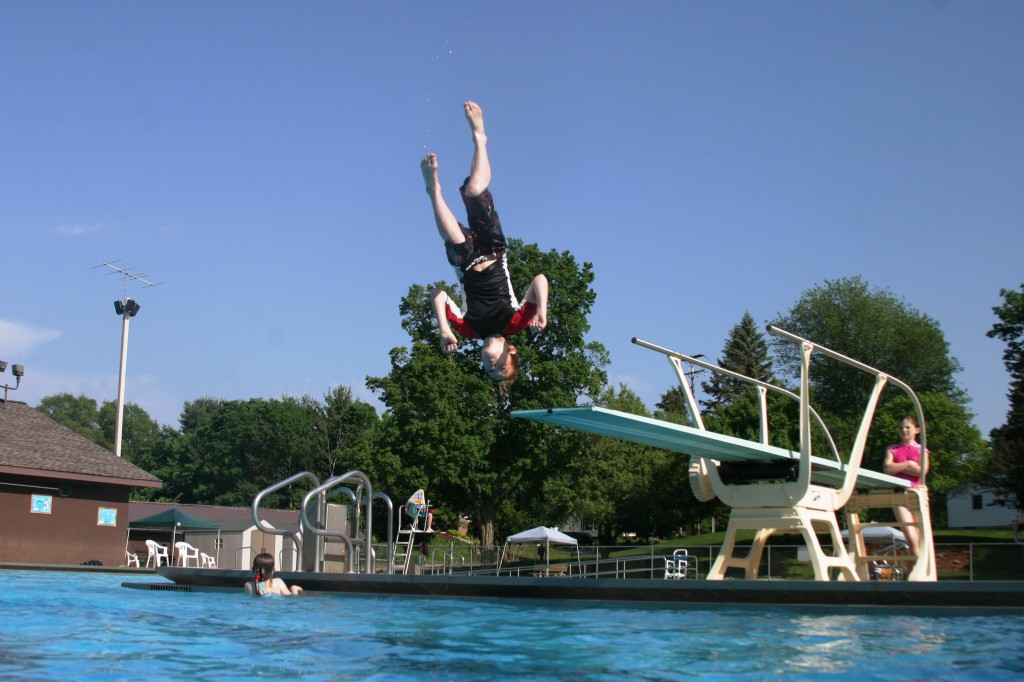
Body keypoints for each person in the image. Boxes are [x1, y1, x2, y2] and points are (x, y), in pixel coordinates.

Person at [421, 100, 548, 385]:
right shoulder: (516, 323)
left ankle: (433, 189)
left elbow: (438, 294)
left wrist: (444, 329)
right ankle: (480, 137)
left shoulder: (468, 329)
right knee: (474, 191)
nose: (492, 366)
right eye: (501, 368)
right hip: (493, 250)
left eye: (489, 371)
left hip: (465, 264)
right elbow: (540, 279)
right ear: (510, 351)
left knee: (453, 238)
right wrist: (542, 310)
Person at [883, 416, 929, 557]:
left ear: (917, 430)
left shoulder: (921, 449)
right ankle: (917, 566)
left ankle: (914, 567)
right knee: (910, 537)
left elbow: (922, 470)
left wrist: (898, 468)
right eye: (901, 427)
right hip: (900, 496)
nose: (904, 430)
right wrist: (909, 464)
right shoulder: (892, 448)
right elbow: (887, 468)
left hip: (917, 495)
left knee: (919, 540)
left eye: (907, 427)